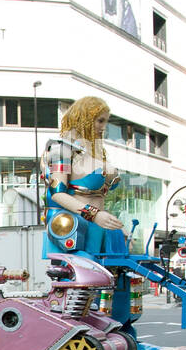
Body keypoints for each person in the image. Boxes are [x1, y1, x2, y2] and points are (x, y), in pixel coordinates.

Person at [41, 96, 124, 258]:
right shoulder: (61, 148)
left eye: (105, 122)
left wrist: (112, 225)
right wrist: (94, 214)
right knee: (85, 275)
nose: (103, 127)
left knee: (104, 276)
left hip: (96, 227)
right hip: (73, 228)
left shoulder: (95, 152)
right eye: (100, 121)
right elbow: (57, 193)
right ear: (84, 118)